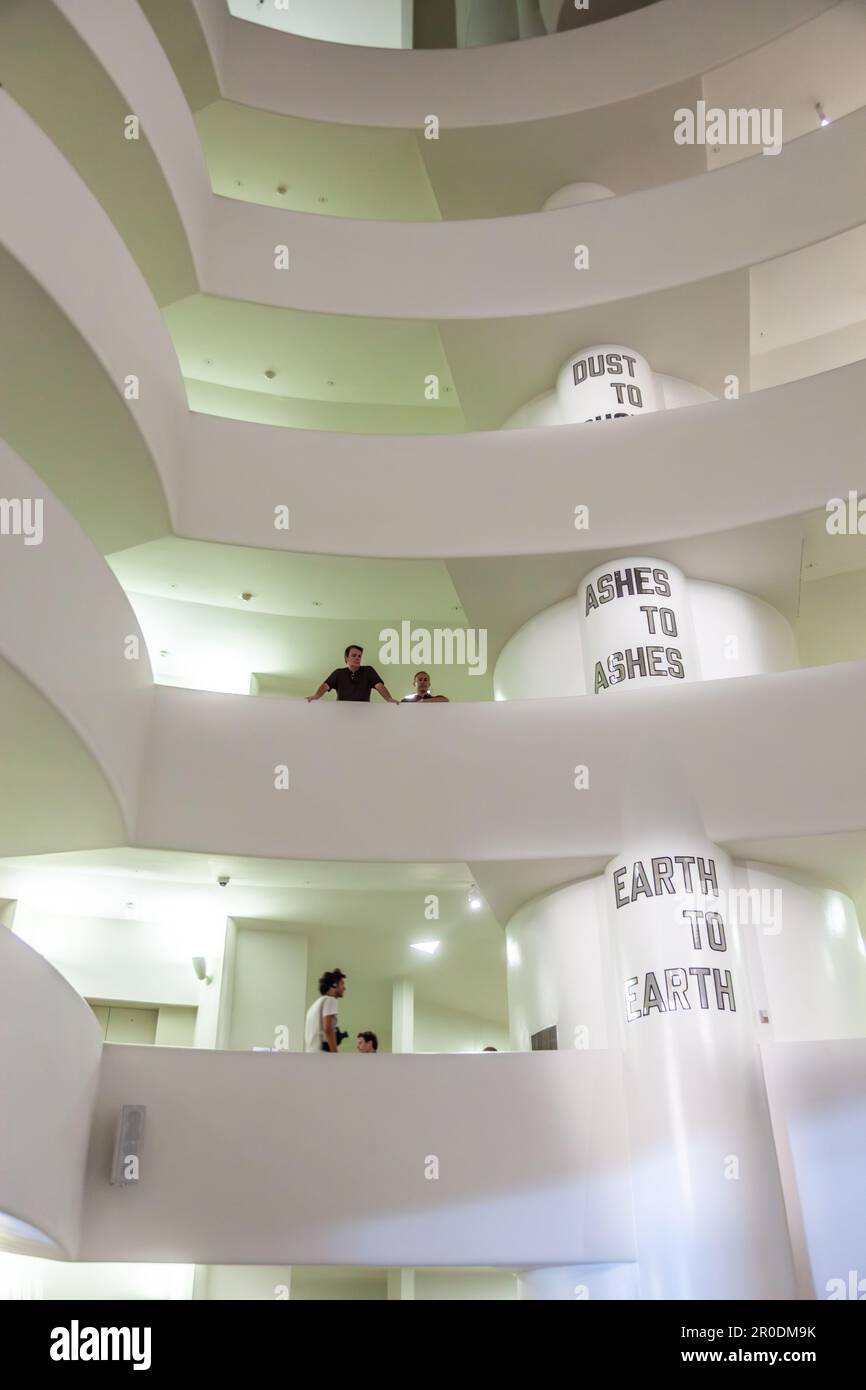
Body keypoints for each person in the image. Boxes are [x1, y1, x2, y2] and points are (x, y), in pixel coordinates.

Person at [307, 645, 398, 704]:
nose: (357, 658)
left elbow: (379, 686)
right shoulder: (338, 673)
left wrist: (389, 699)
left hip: (363, 713)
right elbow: (325, 686)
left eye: (359, 656)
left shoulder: (368, 671)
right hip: (342, 713)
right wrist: (316, 696)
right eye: (354, 655)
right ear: (346, 658)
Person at [304, 969, 346, 1053]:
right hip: (322, 1054)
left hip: (310, 1052)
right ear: (334, 985)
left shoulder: (315, 1004)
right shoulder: (331, 1000)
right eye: (342, 984)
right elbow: (328, 1029)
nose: (344, 988)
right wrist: (335, 1053)